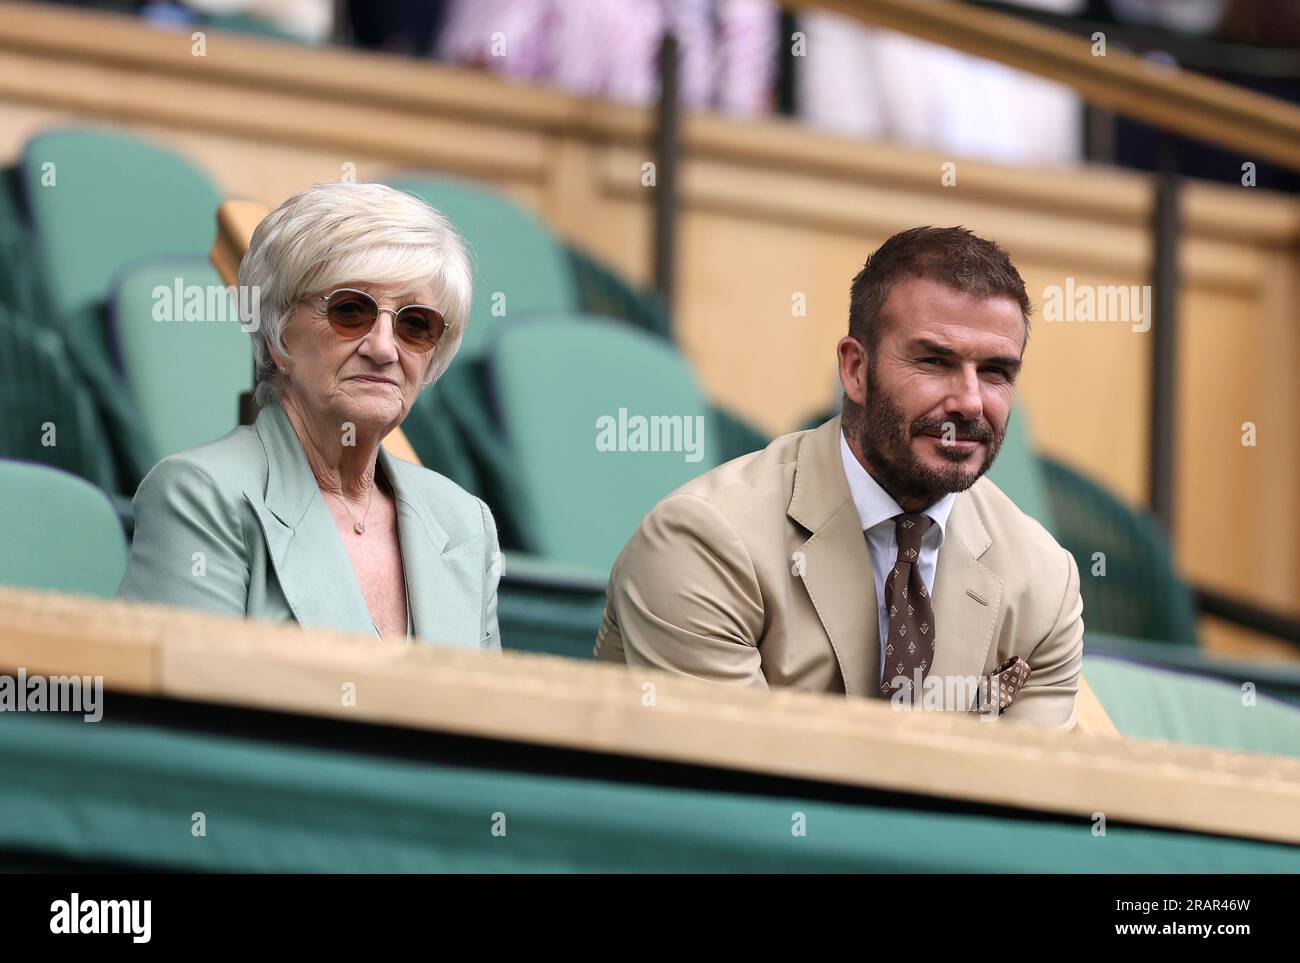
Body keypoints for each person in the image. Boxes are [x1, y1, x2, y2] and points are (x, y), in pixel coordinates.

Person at [596, 226, 1083, 727]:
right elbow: (734, 790)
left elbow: (1033, 798)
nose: (970, 401)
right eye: (934, 361)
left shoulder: (1045, 581)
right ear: (854, 370)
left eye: (996, 372)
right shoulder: (702, 542)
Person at [118, 182, 500, 650]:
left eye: (415, 324)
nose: (384, 348)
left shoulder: (464, 523)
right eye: (350, 311)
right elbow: (182, 712)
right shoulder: (200, 496)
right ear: (279, 335)